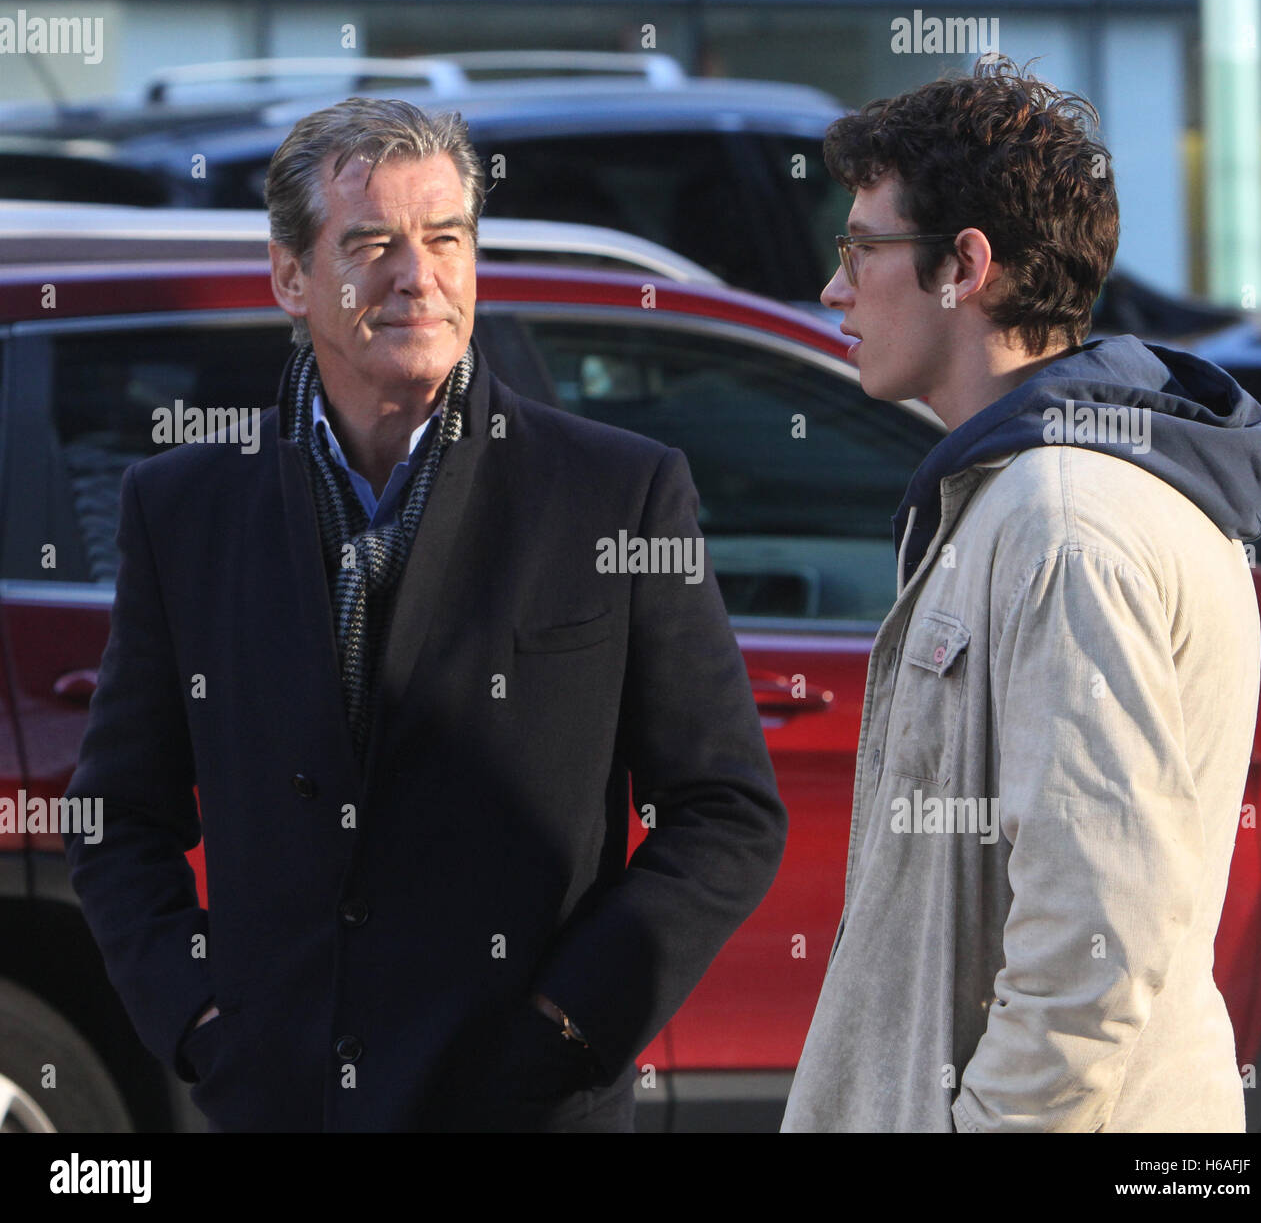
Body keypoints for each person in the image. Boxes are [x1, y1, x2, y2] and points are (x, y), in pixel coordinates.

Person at [61, 97, 787, 1133]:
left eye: (445, 237)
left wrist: (570, 1023)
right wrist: (203, 1022)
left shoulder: (617, 492)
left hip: (526, 1110)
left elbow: (725, 810)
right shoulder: (182, 508)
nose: (419, 274)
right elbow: (116, 817)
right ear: (289, 275)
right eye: (371, 243)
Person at [781, 58, 1261, 1133]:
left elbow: (1100, 928)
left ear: (965, 265)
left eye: (860, 249)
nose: (833, 288)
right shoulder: (1037, 491)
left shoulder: (1064, 520)